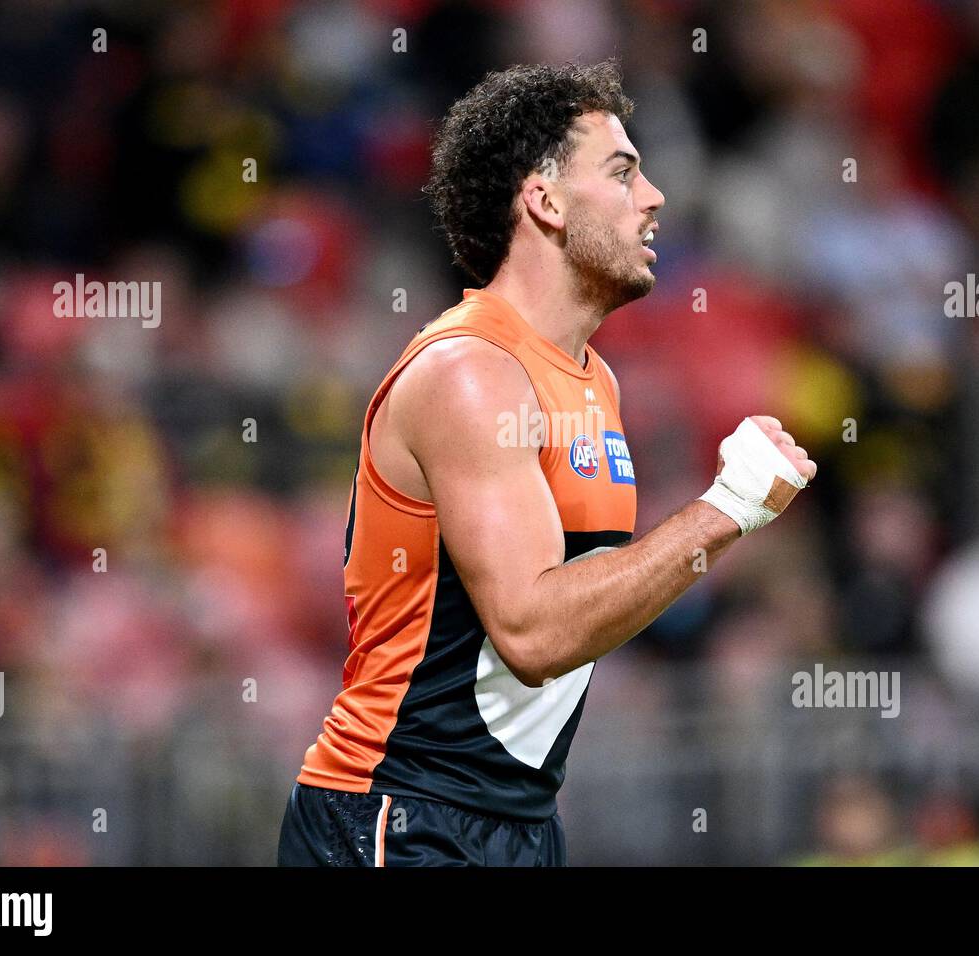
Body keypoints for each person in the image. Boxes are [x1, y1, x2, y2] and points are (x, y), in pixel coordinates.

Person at [278, 60, 817, 866]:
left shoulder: (595, 381)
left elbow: (580, 611)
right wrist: (728, 507)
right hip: (399, 816)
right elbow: (531, 630)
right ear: (546, 200)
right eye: (623, 170)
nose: (654, 196)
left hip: (516, 823)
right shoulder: (472, 373)